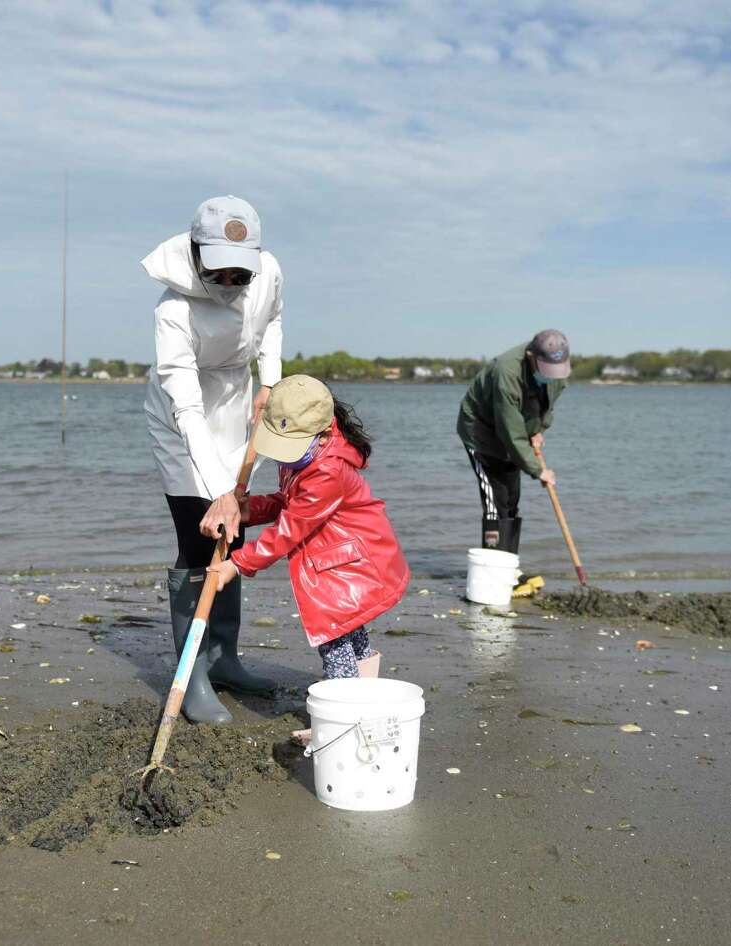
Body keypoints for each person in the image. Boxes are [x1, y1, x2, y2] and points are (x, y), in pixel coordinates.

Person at [142, 196, 283, 724]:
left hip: (239, 404)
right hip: (183, 419)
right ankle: (192, 672)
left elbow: (272, 322)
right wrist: (219, 491)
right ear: (196, 252)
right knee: (199, 537)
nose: (229, 280)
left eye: (239, 273)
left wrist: (268, 381)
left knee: (236, 536)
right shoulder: (172, 309)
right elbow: (187, 408)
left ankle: (224, 658)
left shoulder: (267, 273)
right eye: (218, 269)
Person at [209, 375, 410, 742]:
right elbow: (290, 504)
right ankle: (362, 705)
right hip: (340, 557)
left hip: (350, 565)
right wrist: (250, 509)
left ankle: (342, 722)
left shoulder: (328, 469)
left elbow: (291, 529)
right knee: (352, 634)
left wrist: (237, 565)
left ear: (320, 433)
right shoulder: (302, 456)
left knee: (335, 642)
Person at [456, 329, 571, 596]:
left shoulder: (557, 367)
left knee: (511, 500)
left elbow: (548, 403)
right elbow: (510, 430)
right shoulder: (506, 373)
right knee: (495, 503)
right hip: (482, 434)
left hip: (513, 433)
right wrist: (538, 470)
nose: (552, 374)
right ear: (531, 356)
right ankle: (493, 575)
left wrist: (540, 428)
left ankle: (509, 568)